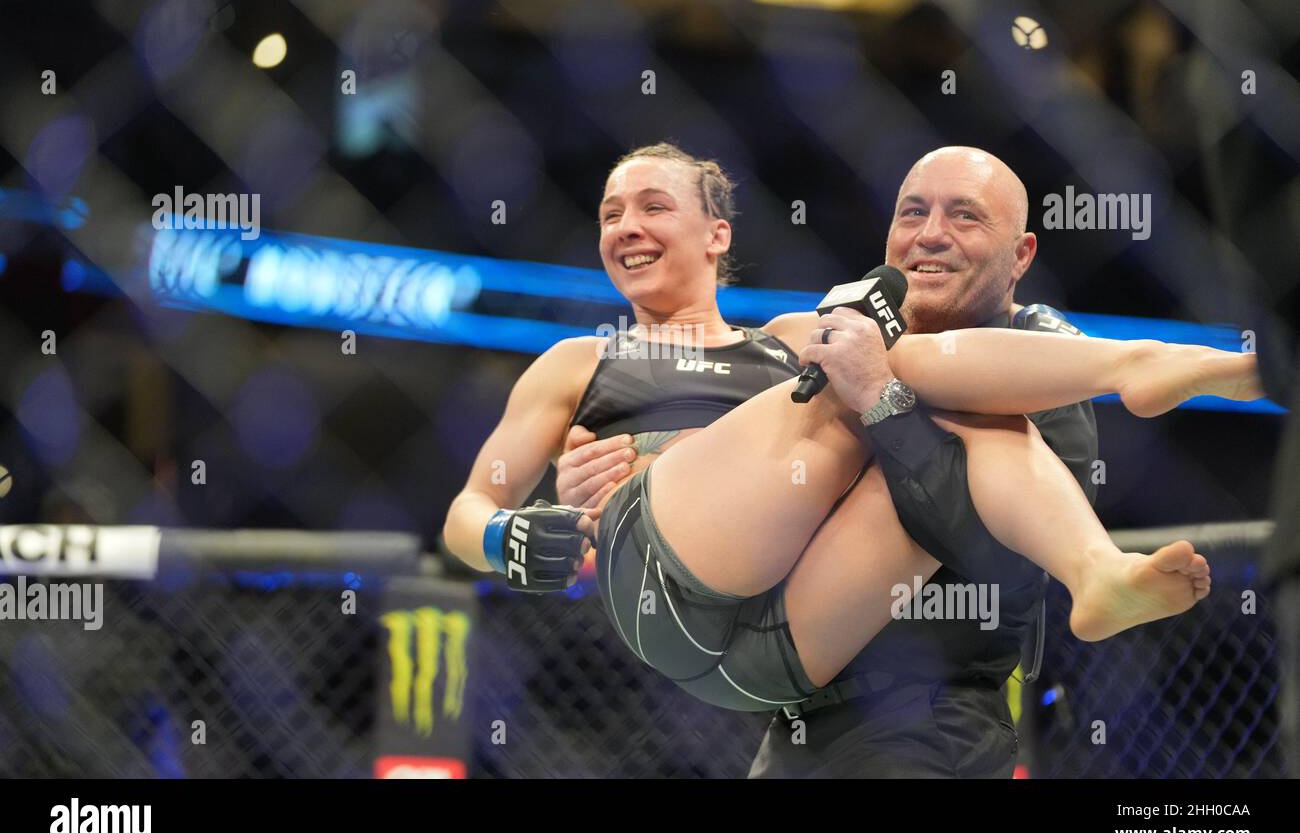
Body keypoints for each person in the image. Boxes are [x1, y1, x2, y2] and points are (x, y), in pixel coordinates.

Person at [444, 142, 1257, 717]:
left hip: (783, 656)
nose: (626, 225)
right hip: (653, 575)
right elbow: (467, 511)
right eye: (611, 212)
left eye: (654, 206)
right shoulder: (577, 360)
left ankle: (1098, 573)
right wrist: (510, 536)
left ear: (716, 234)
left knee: (917, 381)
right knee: (873, 354)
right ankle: (1136, 366)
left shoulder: (793, 336)